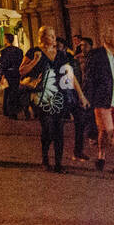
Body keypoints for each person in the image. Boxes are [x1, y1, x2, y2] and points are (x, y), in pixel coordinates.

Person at [20, 26, 76, 173]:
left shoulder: (61, 54)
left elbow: (69, 75)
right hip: (42, 95)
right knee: (47, 128)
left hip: (59, 95)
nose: (50, 38)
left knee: (59, 129)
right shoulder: (33, 52)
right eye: (46, 35)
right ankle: (45, 158)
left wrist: (78, 95)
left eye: (52, 35)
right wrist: (34, 61)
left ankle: (58, 163)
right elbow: (22, 71)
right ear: (40, 36)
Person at [82, 24, 114, 173]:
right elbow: (88, 79)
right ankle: (101, 154)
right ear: (106, 38)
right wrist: (86, 98)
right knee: (107, 131)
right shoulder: (96, 55)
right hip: (102, 100)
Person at [0, 34, 26, 119]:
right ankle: (12, 111)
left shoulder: (4, 51)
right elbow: (21, 62)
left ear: (6, 40)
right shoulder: (19, 51)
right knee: (14, 92)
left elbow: (3, 64)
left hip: (8, 73)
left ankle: (8, 111)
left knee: (8, 92)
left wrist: (2, 75)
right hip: (16, 73)